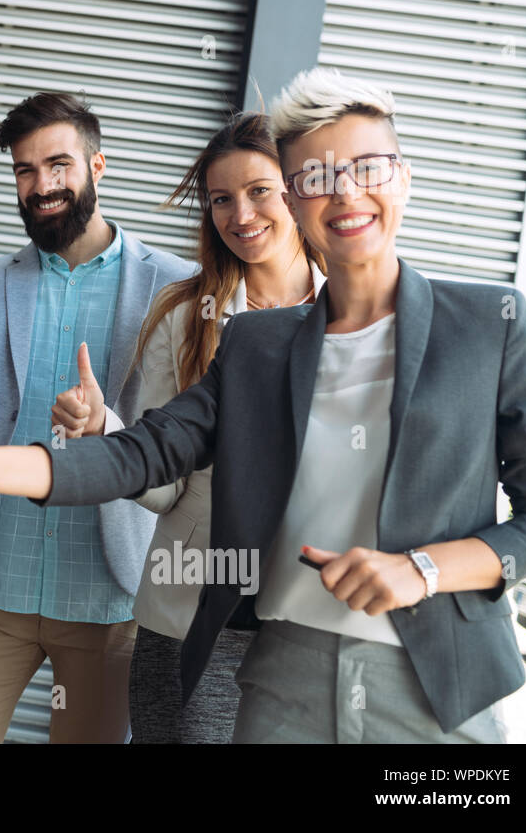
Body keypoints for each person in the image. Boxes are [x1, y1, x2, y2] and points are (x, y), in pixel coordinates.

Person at [0, 67, 526, 743]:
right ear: (299, 197)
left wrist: (423, 570)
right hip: (280, 670)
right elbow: (145, 453)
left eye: (367, 167)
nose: (343, 194)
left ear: (403, 176)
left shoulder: (491, 325)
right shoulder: (257, 343)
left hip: (435, 684)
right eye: (315, 177)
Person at [0, 92, 195, 743]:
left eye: (58, 164)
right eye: (24, 170)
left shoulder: (175, 286)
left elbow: (184, 438)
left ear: (98, 165)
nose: (41, 185)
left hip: (108, 594)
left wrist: (108, 425)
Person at [51, 111, 326, 742]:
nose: (241, 215)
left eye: (259, 191)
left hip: (310, 625)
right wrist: (108, 438)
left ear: (296, 188)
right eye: (221, 200)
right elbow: (166, 486)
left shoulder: (350, 313)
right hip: (193, 615)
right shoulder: (185, 317)